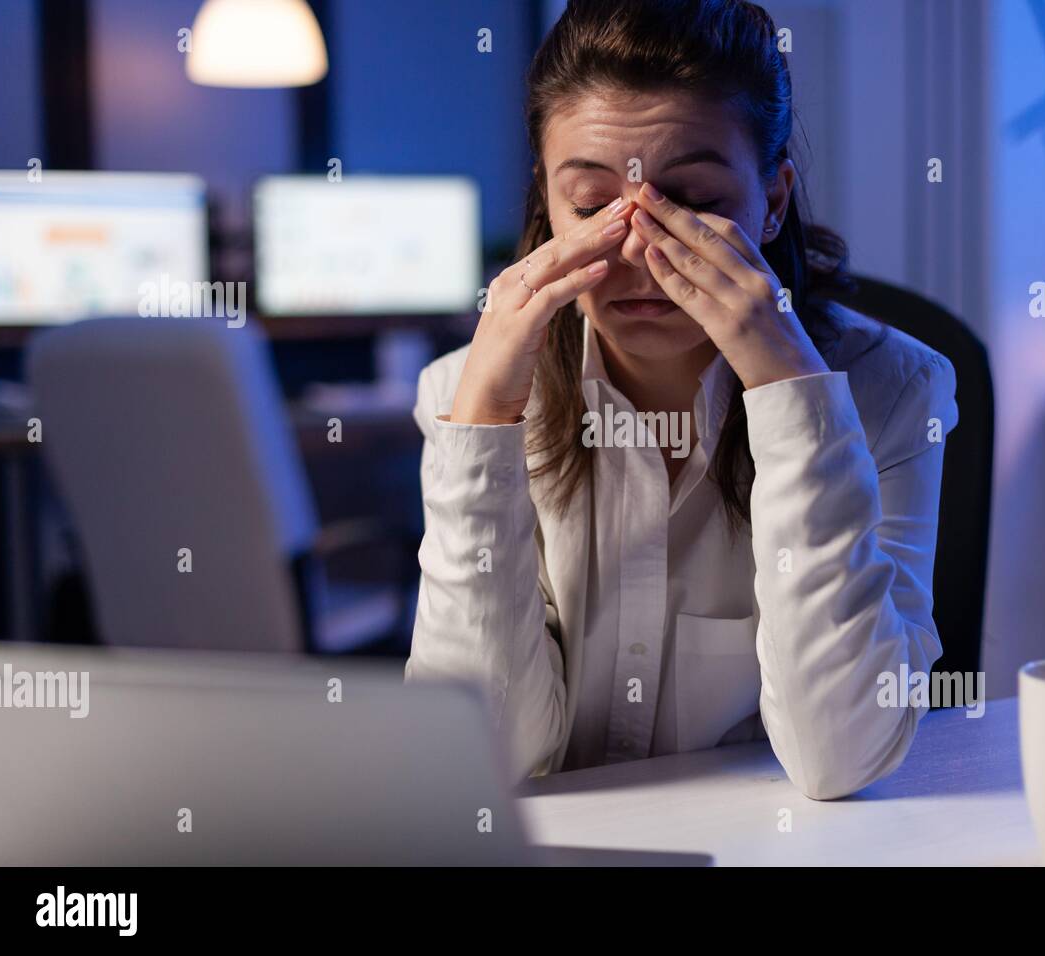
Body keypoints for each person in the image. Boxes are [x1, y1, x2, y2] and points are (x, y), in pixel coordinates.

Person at [405, 0, 958, 800]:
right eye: (592, 208)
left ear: (772, 200)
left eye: (691, 204)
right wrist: (484, 419)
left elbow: (843, 752)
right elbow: (474, 759)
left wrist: (788, 389)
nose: (636, 249)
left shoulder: (894, 391)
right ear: (546, 204)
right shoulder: (459, 396)